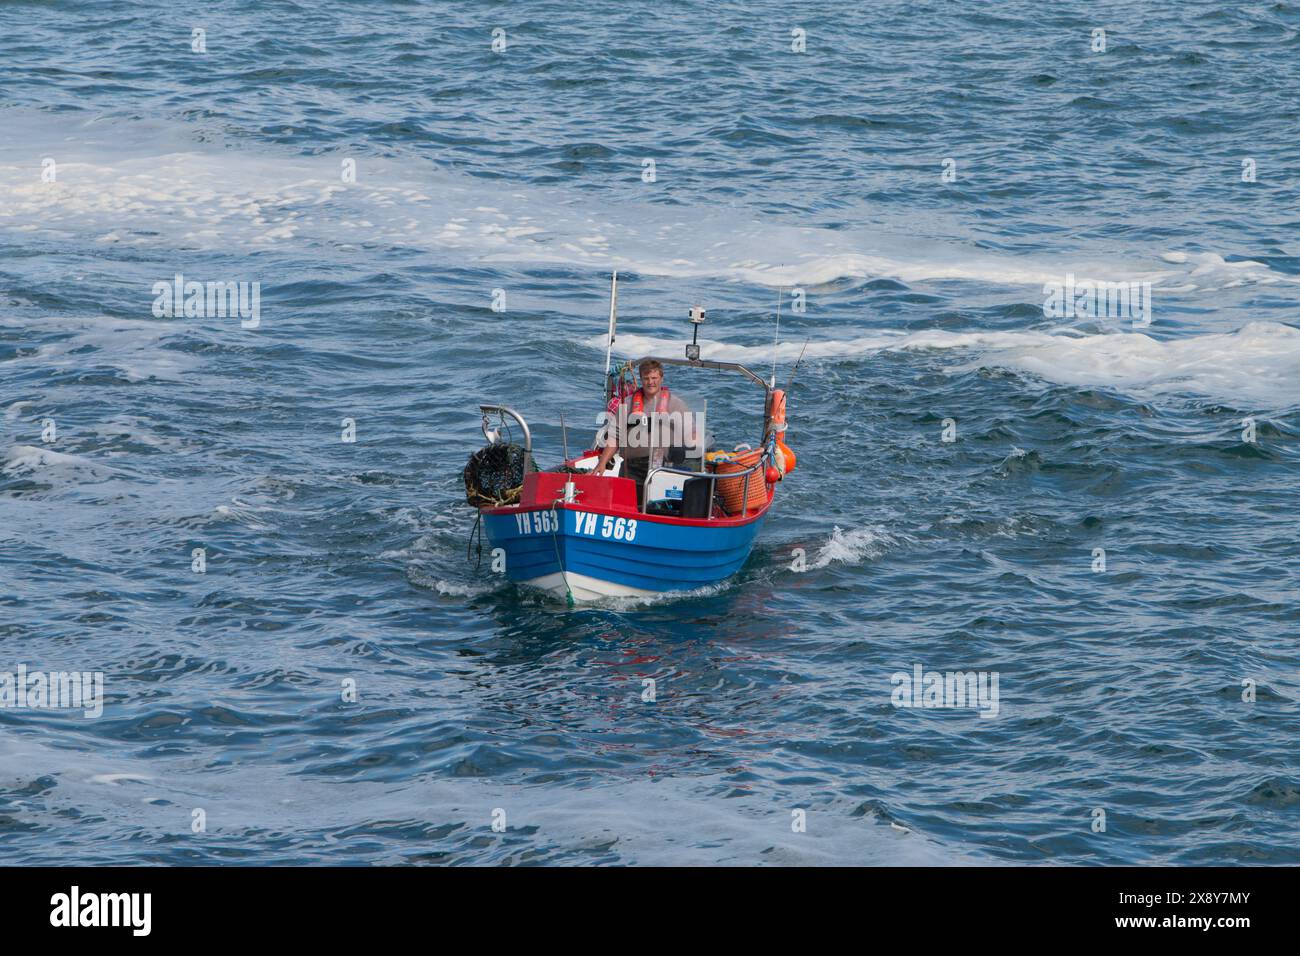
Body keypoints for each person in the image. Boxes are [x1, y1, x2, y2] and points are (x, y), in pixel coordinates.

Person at [595, 359, 691, 508]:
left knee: (659, 510)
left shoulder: (676, 404)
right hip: (631, 468)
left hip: (662, 469)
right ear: (641, 379)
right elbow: (614, 437)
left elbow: (691, 434)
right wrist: (601, 463)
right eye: (646, 378)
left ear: (661, 378)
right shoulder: (627, 404)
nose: (650, 382)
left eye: (654, 378)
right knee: (625, 507)